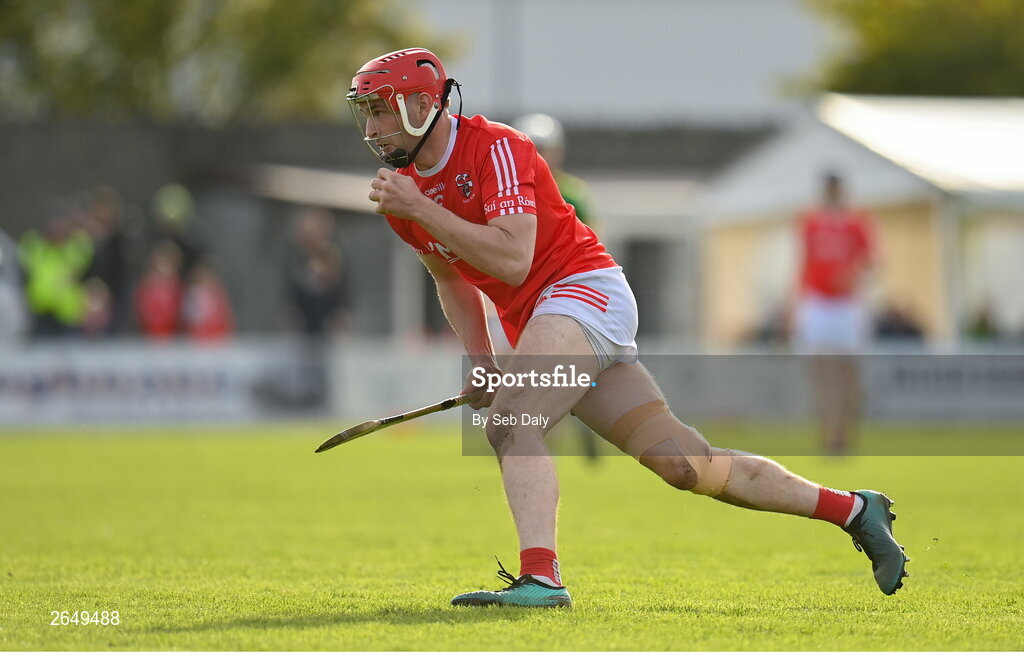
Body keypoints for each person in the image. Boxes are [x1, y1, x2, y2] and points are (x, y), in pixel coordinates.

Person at [347, 48, 908, 608]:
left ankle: (541, 578)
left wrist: (422, 209)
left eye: (381, 111)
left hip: (581, 290)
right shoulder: (403, 197)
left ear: (422, 104)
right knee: (687, 466)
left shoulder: (496, 148)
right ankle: (856, 511)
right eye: (365, 113)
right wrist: (482, 357)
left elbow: (514, 259)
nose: (371, 129)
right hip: (544, 317)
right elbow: (451, 280)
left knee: (512, 419)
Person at [512, 112, 602, 461]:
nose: (543, 155)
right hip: (524, 295)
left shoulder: (573, 193)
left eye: (548, 148)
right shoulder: (510, 191)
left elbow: (593, 243)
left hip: (565, 294)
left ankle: (561, 434)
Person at [792, 173, 875, 455]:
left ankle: (847, 433)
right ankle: (827, 434)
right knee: (821, 370)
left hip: (846, 304)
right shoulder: (810, 222)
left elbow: (870, 262)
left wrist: (852, 275)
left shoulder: (856, 223)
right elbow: (803, 262)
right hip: (817, 302)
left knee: (847, 370)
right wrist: (795, 303)